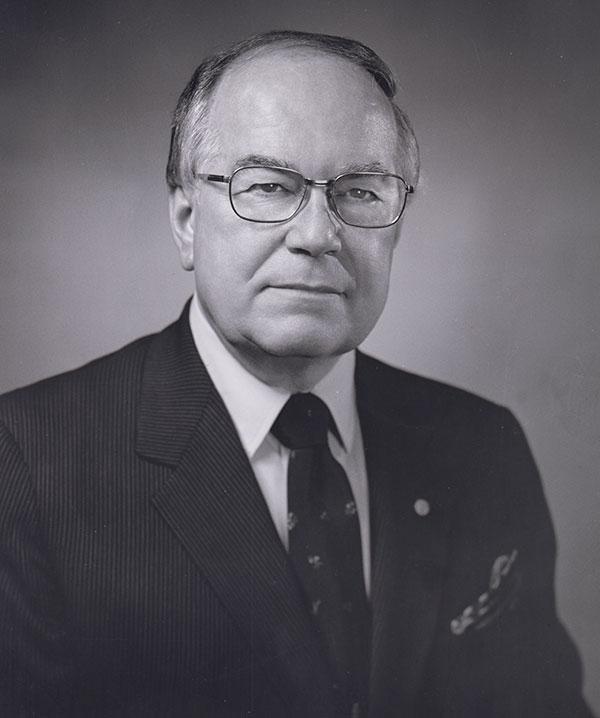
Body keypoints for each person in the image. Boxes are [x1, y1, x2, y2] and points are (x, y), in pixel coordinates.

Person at [0, 30, 593, 718]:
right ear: (187, 220)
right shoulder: (28, 460)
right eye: (269, 187)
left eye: (360, 192)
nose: (317, 234)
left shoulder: (480, 446)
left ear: (396, 224)